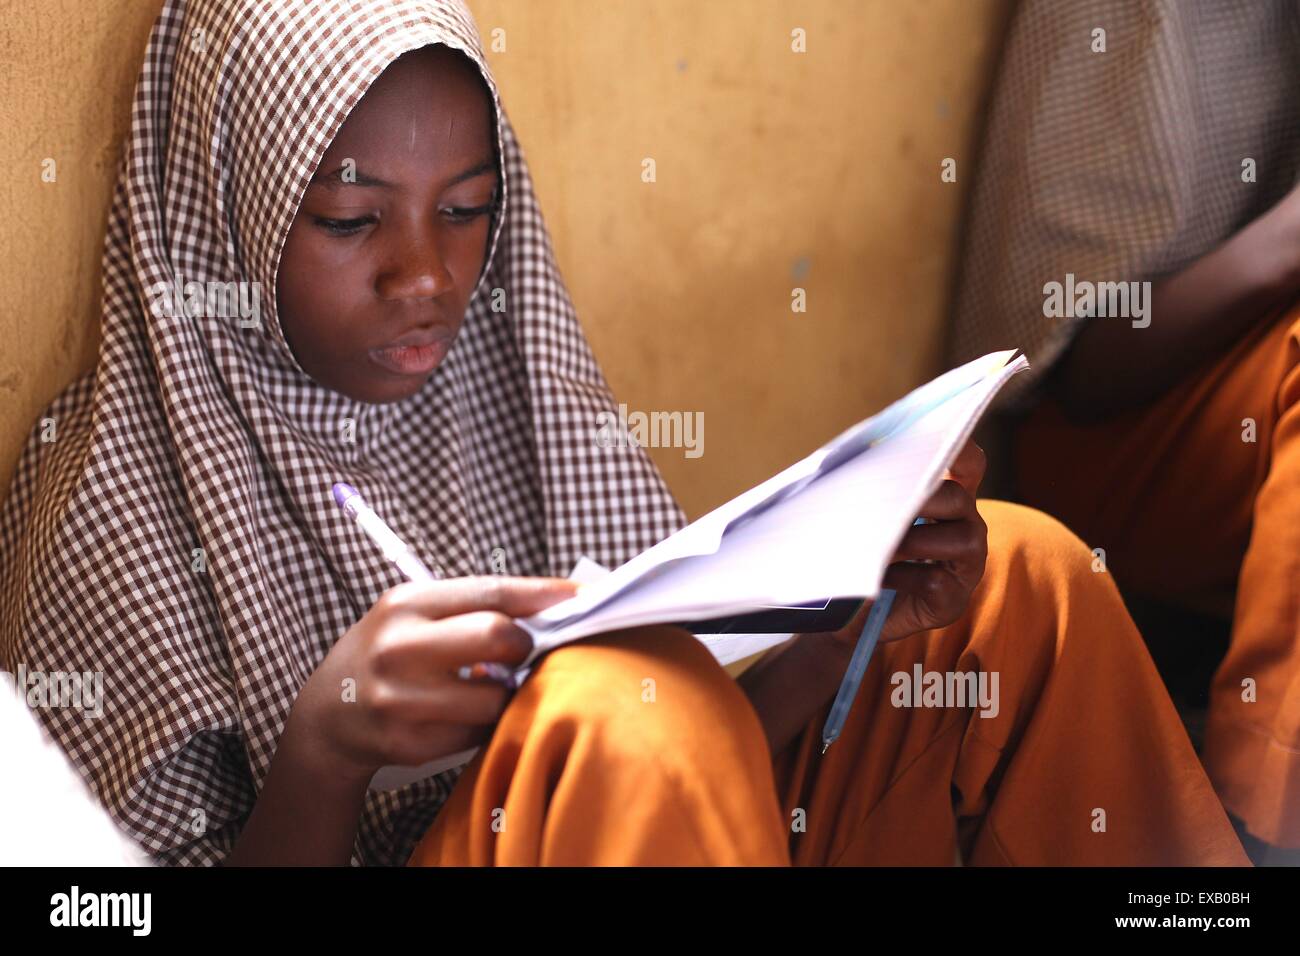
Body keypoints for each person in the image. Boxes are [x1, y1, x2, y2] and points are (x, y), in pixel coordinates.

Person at [0, 0, 1247, 866]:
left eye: (470, 207)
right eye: (348, 219)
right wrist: (322, 749)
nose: (428, 275)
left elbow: (665, 773)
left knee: (1016, 578)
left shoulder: (506, 385)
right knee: (613, 697)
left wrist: (831, 633)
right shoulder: (112, 503)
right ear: (216, 203)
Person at [947, 0, 1300, 859]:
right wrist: (1289, 240)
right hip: (1114, 441)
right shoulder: (1139, 18)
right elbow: (1078, 370)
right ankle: (1262, 830)